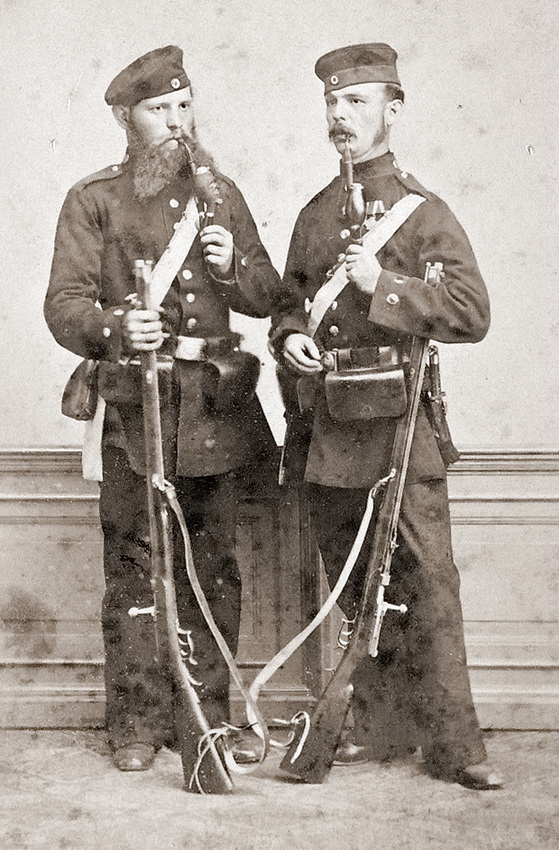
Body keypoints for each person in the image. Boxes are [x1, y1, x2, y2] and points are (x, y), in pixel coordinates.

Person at [270, 43, 503, 790]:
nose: (339, 116)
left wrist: (385, 285)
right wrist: (291, 338)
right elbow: (287, 306)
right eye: (332, 103)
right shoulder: (313, 215)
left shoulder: (423, 211)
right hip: (330, 428)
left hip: (402, 428)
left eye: (357, 102)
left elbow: (471, 314)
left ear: (391, 110)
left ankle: (455, 746)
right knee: (352, 588)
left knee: (427, 584)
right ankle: (374, 728)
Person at [45, 46, 280, 771]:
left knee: (214, 565)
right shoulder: (94, 199)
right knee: (135, 564)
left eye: (184, 105)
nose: (177, 121)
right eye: (158, 109)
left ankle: (204, 716)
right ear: (126, 117)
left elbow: (267, 295)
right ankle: (136, 724)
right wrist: (120, 327)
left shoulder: (221, 194)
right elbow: (64, 305)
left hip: (213, 408)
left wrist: (232, 268)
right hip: (135, 406)